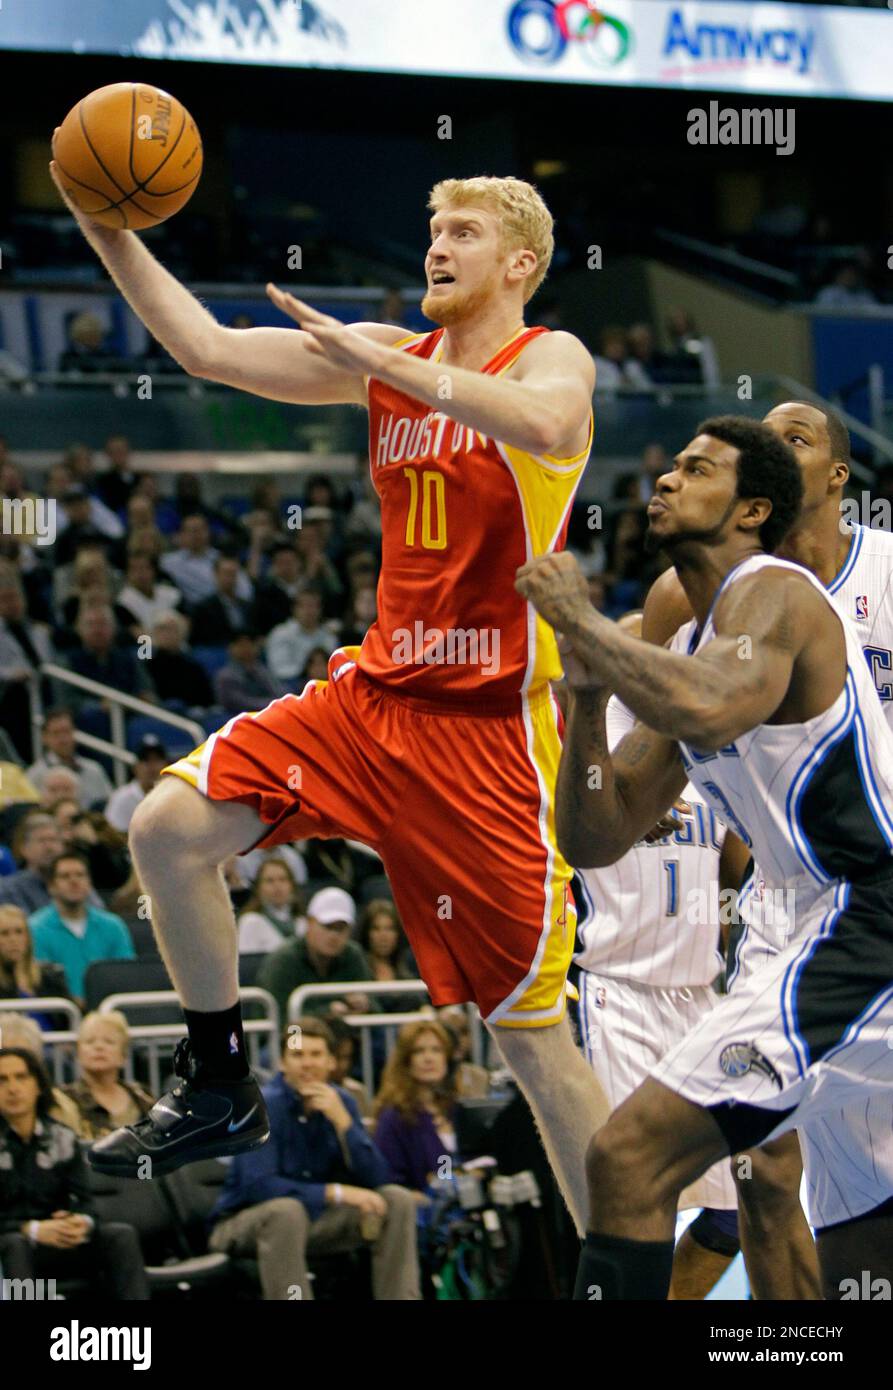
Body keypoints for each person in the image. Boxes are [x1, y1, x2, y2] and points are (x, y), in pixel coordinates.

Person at [54, 162, 606, 1230]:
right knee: (167, 828)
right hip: (374, 698)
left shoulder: (548, 354)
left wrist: (375, 360)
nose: (436, 245)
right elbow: (206, 347)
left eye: (461, 231)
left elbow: (544, 427)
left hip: (487, 735)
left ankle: (626, 1280)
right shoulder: (392, 360)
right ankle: (218, 1081)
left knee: (534, 1046)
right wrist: (103, 225)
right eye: (430, 226)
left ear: (520, 263)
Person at [515, 415, 893, 1299]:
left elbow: (718, 705)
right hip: (792, 919)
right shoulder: (686, 639)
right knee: (825, 1226)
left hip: (868, 908)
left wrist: (584, 624)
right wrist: (586, 700)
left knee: (631, 1153)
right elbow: (595, 836)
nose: (665, 477)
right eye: (670, 461)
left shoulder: (780, 595)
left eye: (695, 467)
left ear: (754, 506)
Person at [642, 399, 893, 1300]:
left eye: (794, 440)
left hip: (874, 891)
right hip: (792, 910)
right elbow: (665, 741)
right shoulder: (696, 594)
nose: (767, 454)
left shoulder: (885, 573)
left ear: (833, 479)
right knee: (768, 1164)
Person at [572, 612, 746, 1301]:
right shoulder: (592, 737)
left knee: (739, 1201)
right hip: (617, 990)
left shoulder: (704, 741)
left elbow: (739, 866)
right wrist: (622, 798)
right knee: (633, 1205)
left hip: (698, 998)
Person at [207, 1019, 420, 1300]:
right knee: (286, 1211)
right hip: (242, 1224)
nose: (307, 1064)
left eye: (316, 1055)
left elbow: (379, 1179)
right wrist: (337, 1193)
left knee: (396, 1199)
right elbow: (259, 1186)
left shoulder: (342, 1102)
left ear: (332, 1062)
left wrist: (344, 1124)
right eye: (297, 1055)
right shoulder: (261, 1107)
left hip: (314, 1222)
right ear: (282, 1063)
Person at [0, 1047, 149, 1299]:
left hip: (59, 1240)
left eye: (21, 1077)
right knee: (14, 1245)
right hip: (14, 1244)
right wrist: (31, 1229)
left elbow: (86, 1203)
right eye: (2, 1080)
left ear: (38, 1086)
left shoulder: (62, 1137)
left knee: (120, 1235)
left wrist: (81, 1222)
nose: (13, 1088)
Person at [29, 852, 135, 1007]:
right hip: (60, 1015)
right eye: (65, 876)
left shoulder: (114, 926)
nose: (74, 881)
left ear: (89, 882)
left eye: (80, 875)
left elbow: (125, 974)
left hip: (110, 1010)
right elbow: (41, 982)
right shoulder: (35, 928)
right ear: (51, 886)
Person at [257, 887, 374, 1023]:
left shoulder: (354, 955)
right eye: (327, 926)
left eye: (341, 928)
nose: (334, 936)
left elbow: (376, 1008)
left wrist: (365, 1006)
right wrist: (326, 1013)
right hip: (290, 1039)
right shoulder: (284, 960)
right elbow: (279, 1018)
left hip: (342, 1037)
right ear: (309, 923)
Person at [373, 1020, 459, 1196]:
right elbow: (390, 1181)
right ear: (406, 1061)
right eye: (419, 1051)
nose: (429, 1058)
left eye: (437, 1050)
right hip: (424, 1213)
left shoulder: (456, 1108)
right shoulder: (394, 1116)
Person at [62, 1011, 154, 1140]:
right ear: (78, 1053)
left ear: (124, 1055)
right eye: (89, 1041)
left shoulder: (142, 1097)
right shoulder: (64, 1100)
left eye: (109, 1042)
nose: (99, 1047)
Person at [0, 905, 74, 1031]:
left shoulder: (51, 976)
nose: (13, 940)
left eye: (19, 932)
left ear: (28, 938)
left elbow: (69, 1022)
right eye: (4, 934)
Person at [27, 707, 113, 811]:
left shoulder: (94, 770)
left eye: (66, 731)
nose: (63, 739)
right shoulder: (34, 775)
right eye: (56, 733)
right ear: (44, 737)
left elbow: (109, 806)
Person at [358, 898, 423, 1012]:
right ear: (367, 933)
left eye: (390, 929)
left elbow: (420, 1002)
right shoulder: (358, 969)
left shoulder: (406, 969)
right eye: (376, 929)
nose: (383, 936)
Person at [265, 587, 339, 683]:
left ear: (320, 609)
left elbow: (335, 668)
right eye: (303, 606)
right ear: (294, 609)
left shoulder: (328, 636)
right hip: (289, 686)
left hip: (323, 685)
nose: (309, 611)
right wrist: (306, 673)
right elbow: (278, 670)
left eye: (313, 606)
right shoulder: (280, 634)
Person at [143, 611, 214, 709]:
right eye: (162, 629)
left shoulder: (193, 666)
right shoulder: (146, 665)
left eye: (173, 630)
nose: (167, 634)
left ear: (182, 633)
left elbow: (207, 699)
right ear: (154, 633)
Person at [237, 856, 306, 954]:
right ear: (258, 888)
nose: (277, 885)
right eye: (270, 881)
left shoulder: (303, 924)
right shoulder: (251, 922)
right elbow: (247, 964)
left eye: (282, 879)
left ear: (292, 886)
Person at [0, 812, 64, 914]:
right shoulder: (9, 889)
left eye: (53, 840)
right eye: (41, 840)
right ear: (24, 849)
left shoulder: (75, 881)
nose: (49, 847)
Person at [104, 736, 170, 834]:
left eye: (157, 760)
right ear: (135, 767)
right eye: (146, 760)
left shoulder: (174, 796)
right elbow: (110, 838)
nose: (152, 766)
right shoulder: (121, 799)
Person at [214, 629, 284, 715]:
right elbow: (241, 703)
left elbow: (280, 692)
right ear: (230, 648)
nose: (246, 648)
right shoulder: (225, 676)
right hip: (238, 718)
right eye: (241, 645)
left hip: (269, 713)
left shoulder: (263, 670)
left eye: (250, 644)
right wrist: (273, 704)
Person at [114, 551, 182, 635]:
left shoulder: (171, 593)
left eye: (145, 568)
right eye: (135, 569)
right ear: (127, 574)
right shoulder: (123, 602)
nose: (141, 573)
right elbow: (136, 632)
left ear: (153, 571)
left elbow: (185, 621)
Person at [191, 555, 255, 645]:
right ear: (216, 575)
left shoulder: (246, 605)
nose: (230, 578)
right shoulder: (203, 608)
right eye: (226, 573)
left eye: (234, 574)